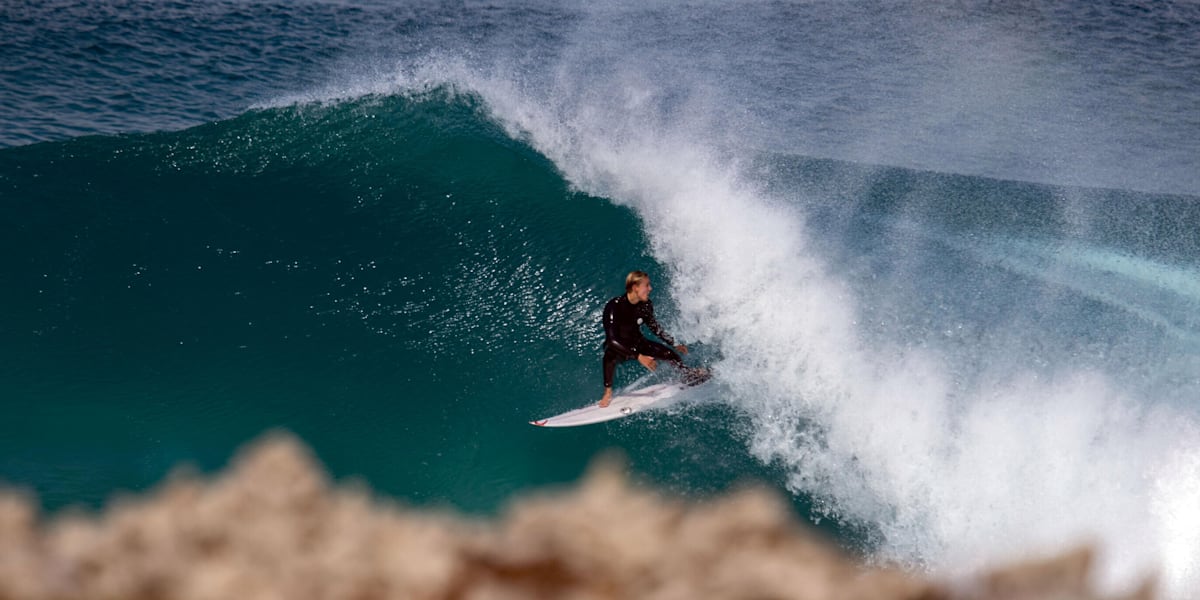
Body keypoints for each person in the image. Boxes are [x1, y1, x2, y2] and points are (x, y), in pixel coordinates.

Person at [599, 270, 708, 407]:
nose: (650, 289)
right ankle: (607, 392)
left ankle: (687, 374)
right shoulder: (614, 306)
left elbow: (655, 328)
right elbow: (612, 340)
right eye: (647, 285)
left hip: (638, 342)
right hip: (619, 347)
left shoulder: (645, 305)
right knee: (610, 356)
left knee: (670, 354)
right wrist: (639, 356)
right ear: (635, 287)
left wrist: (674, 343)